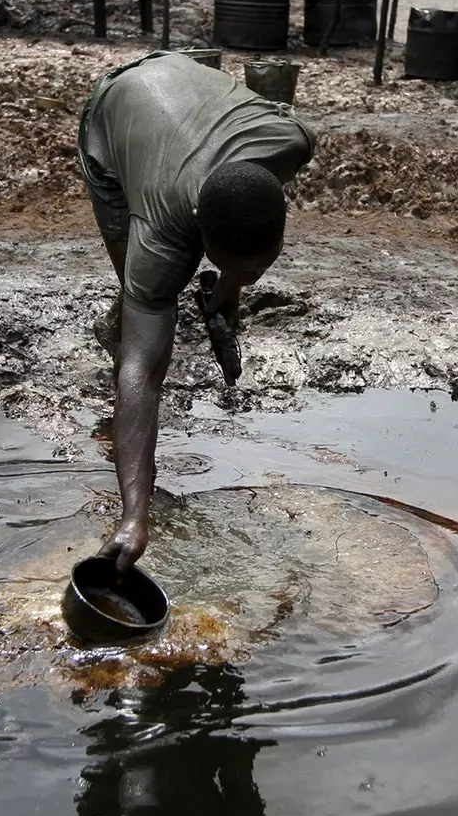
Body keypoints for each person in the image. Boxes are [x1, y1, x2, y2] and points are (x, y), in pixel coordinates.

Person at [77, 51, 315, 571]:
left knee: (175, 284)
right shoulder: (162, 235)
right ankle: (119, 327)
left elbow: (245, 217)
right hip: (116, 110)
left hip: (191, 84)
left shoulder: (290, 144)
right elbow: (145, 374)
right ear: (198, 239)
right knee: (138, 313)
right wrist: (133, 519)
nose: (251, 280)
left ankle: (191, 297)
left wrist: (231, 285)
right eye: (233, 267)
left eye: (259, 269)